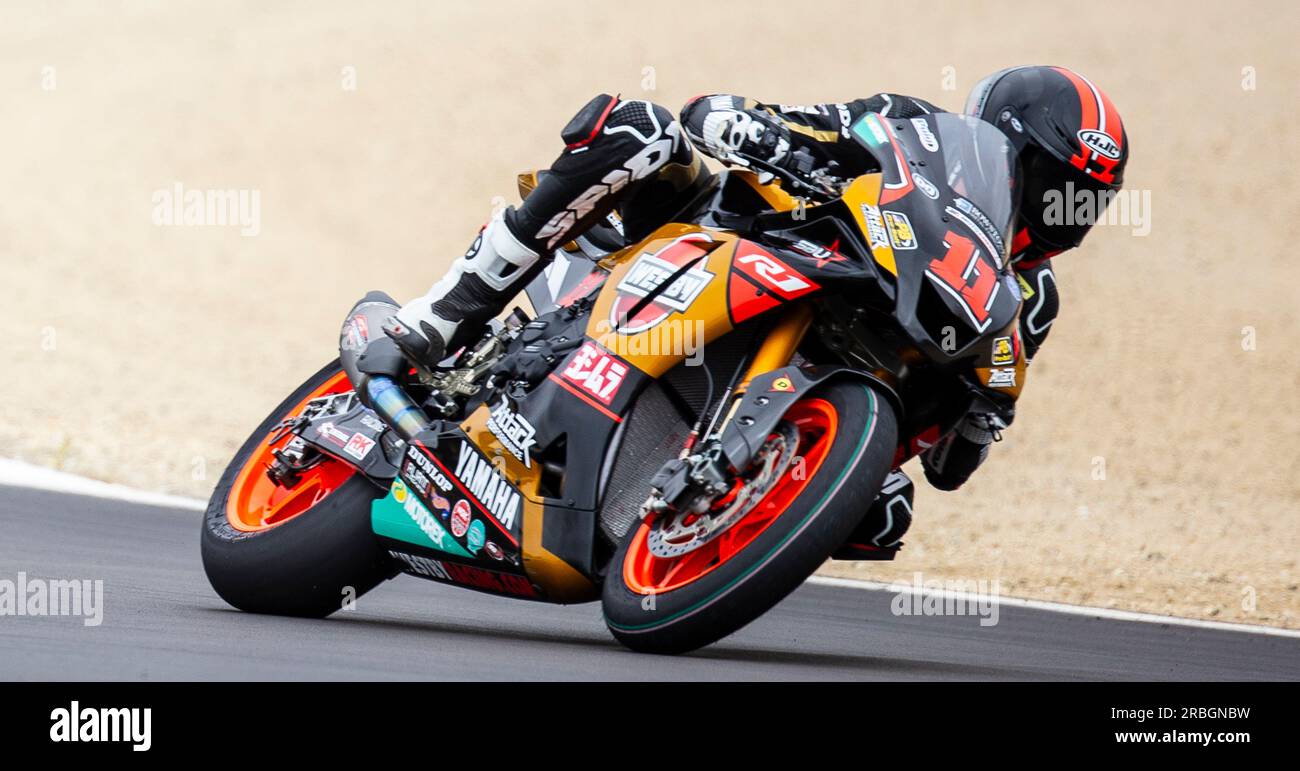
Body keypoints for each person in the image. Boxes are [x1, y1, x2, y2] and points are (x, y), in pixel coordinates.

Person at [373, 65, 1130, 559]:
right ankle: (444, 316)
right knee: (640, 131)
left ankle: (710, 495)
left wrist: (980, 422)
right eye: (1045, 177)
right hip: (733, 235)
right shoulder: (915, 131)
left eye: (1082, 199)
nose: (1056, 208)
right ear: (1002, 146)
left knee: (883, 514)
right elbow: (804, 122)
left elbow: (947, 468)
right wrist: (753, 127)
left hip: (829, 374)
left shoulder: (1030, 304)